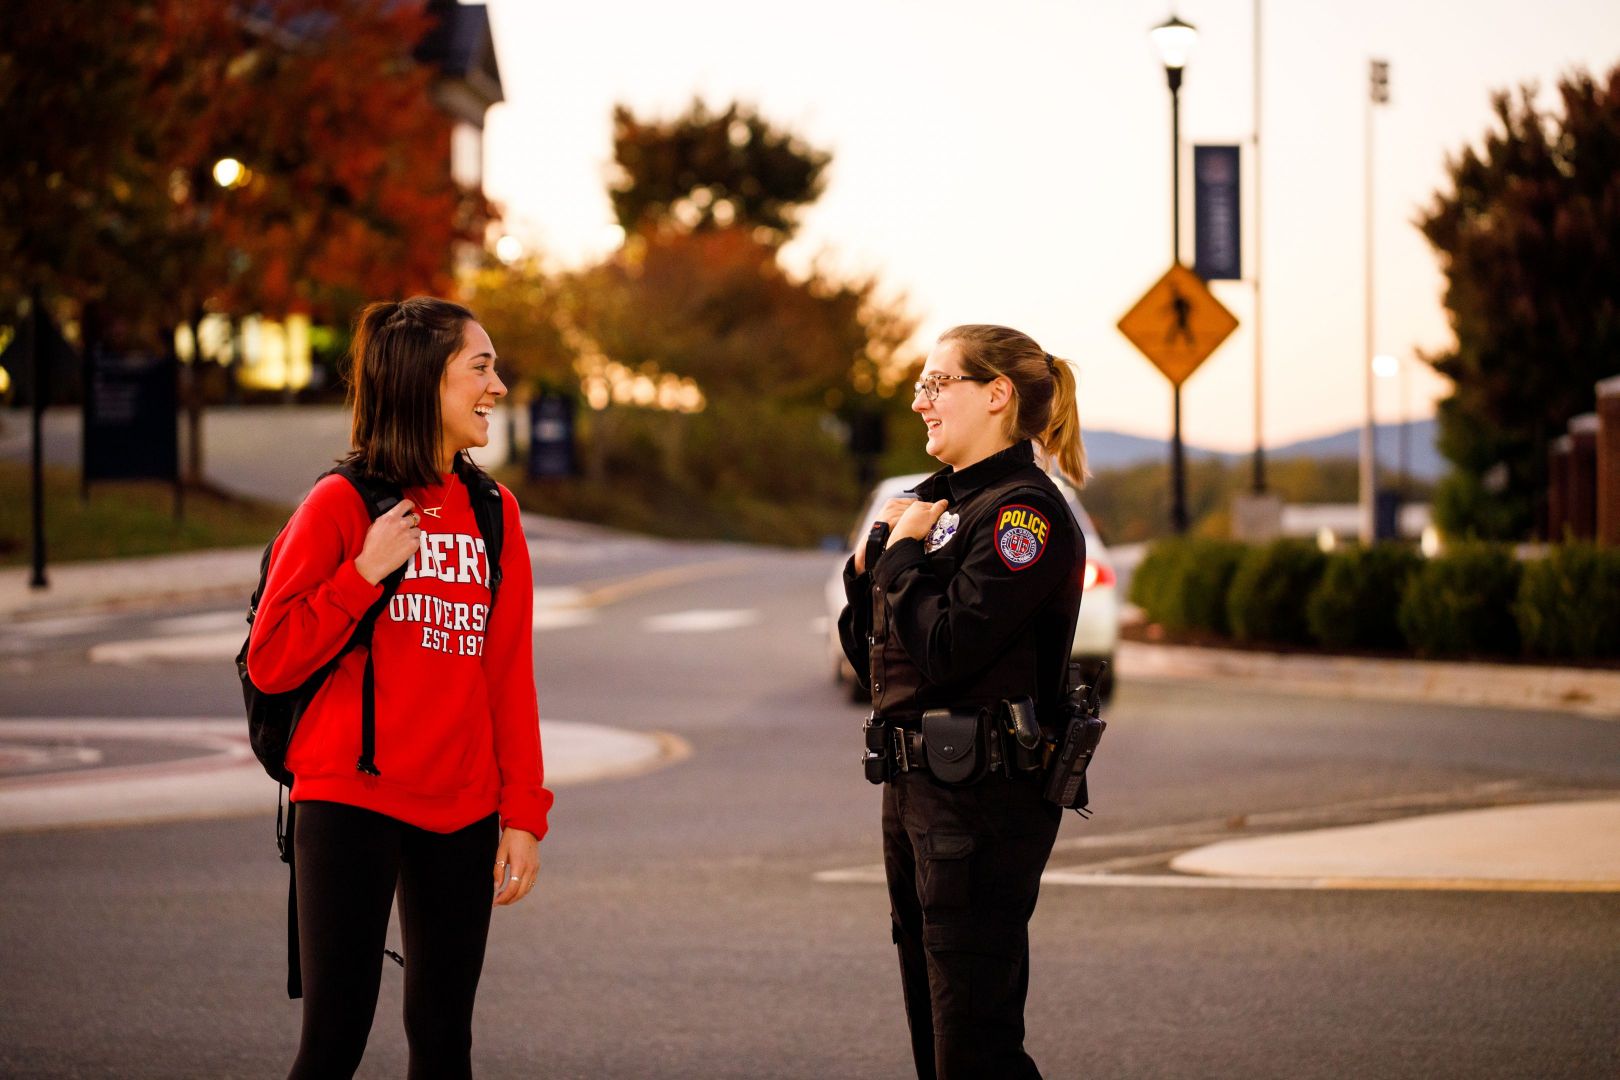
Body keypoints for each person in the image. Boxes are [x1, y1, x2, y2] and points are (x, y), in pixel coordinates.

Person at [247, 296, 551, 1079]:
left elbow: (507, 672)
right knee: (333, 1044)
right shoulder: (342, 504)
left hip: (462, 809)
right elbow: (271, 660)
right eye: (481, 367)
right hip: (349, 801)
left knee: (445, 1040)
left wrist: (523, 813)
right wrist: (360, 574)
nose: (500, 386)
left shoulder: (494, 513)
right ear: (425, 382)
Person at [838, 323, 1088, 1079]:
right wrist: (868, 569)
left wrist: (906, 555)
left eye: (937, 383)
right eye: (921, 385)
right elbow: (874, 660)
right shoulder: (934, 502)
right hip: (916, 790)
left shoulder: (1022, 515)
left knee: (973, 1046)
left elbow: (949, 650)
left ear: (996, 394)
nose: (921, 402)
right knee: (939, 1035)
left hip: (981, 801)